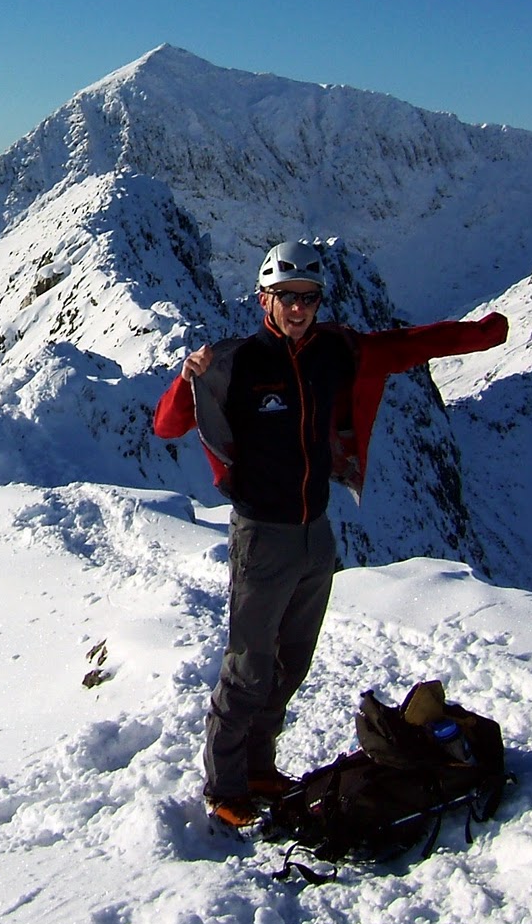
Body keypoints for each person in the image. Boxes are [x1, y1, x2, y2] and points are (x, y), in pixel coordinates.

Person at [153, 240, 509, 829]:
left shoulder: (335, 353)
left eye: (308, 298)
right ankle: (226, 784)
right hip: (261, 535)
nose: (298, 308)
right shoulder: (233, 362)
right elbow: (168, 425)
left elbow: (407, 346)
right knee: (248, 665)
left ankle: (260, 767)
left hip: (315, 532)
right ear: (264, 298)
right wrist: (184, 378)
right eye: (287, 297)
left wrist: (480, 335)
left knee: (291, 661)